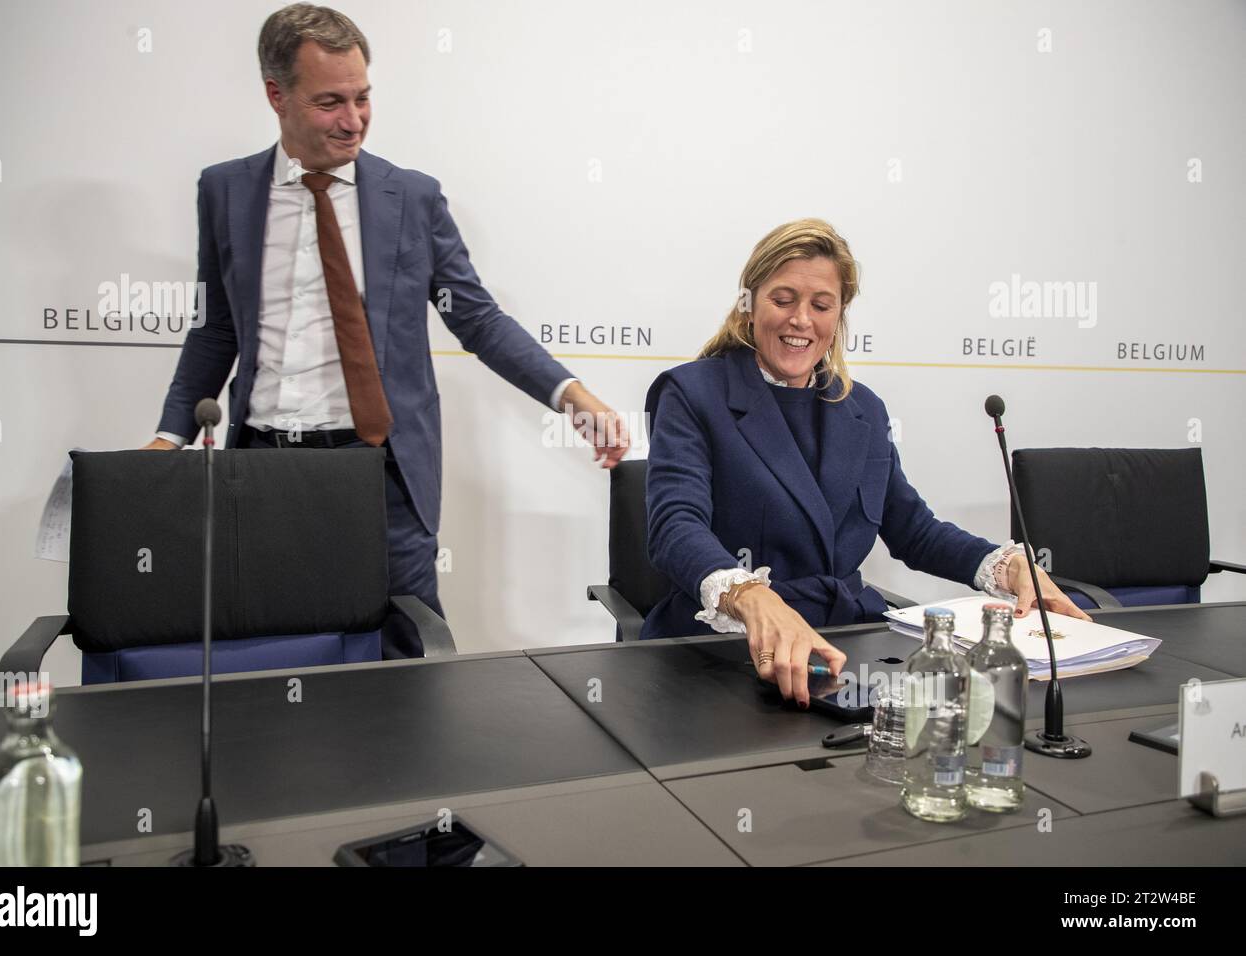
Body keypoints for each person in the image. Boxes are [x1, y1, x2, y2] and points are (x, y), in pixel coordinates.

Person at [145, 4, 627, 657]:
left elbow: (476, 318)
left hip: (382, 475)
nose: (353, 120)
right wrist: (169, 436)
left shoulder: (413, 198)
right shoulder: (225, 191)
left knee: (409, 664)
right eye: (330, 102)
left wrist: (572, 396)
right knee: (270, 657)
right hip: (262, 468)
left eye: (363, 98)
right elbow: (216, 328)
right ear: (276, 96)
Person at [641, 218, 1089, 706]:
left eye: (821, 305)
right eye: (783, 299)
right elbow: (675, 525)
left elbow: (914, 530)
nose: (801, 320)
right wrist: (752, 598)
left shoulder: (863, 409)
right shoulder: (691, 392)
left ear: (840, 315)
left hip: (847, 644)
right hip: (724, 651)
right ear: (749, 306)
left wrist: (1007, 568)